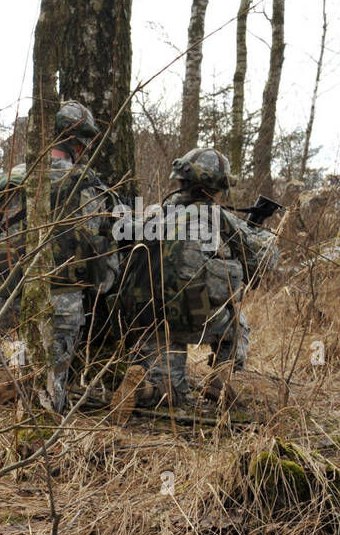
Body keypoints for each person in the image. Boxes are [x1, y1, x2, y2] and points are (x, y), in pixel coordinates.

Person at [0, 100, 119, 409]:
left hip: (7, 300)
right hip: (64, 308)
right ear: (80, 146)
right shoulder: (93, 190)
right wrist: (92, 294)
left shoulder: (12, 181)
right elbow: (106, 266)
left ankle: (5, 370)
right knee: (49, 396)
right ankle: (39, 390)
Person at [118, 147, 278, 407]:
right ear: (217, 187)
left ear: (180, 181)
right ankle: (219, 380)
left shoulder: (153, 214)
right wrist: (265, 236)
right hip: (197, 318)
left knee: (166, 398)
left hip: (147, 320)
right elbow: (262, 259)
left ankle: (143, 389)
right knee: (237, 324)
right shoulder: (219, 219)